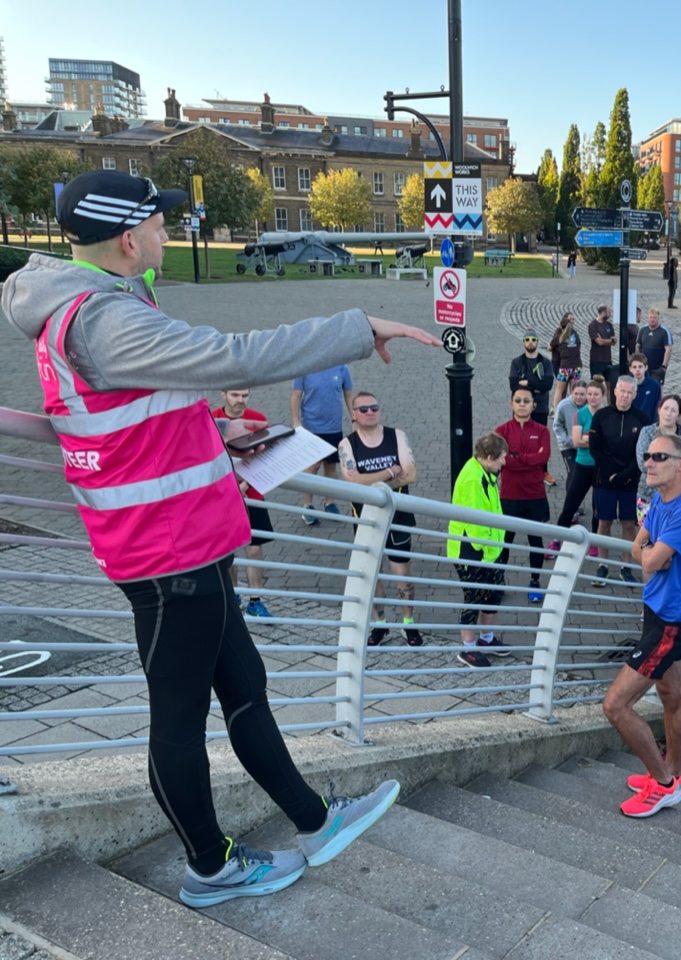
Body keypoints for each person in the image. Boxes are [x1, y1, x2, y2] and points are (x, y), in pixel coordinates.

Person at [2, 170, 428, 905]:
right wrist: (357, 327)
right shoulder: (103, 318)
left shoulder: (97, 300)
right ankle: (209, 866)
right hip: (165, 552)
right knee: (178, 720)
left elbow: (136, 410)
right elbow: (235, 355)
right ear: (130, 239)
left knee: (246, 688)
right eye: (161, 223)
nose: (170, 231)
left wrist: (213, 430)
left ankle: (314, 820)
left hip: (187, 540)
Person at [607, 434, 681, 818]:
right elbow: (639, 549)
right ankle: (675, 775)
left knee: (616, 705)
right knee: (672, 696)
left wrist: (651, 556)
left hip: (672, 620)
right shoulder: (658, 500)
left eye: (659, 457)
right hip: (659, 610)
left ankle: (663, 784)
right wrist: (653, 554)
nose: (648, 462)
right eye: (647, 456)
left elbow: (647, 562)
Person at [339, 392, 423, 647]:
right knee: (371, 575)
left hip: (398, 516)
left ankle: (409, 624)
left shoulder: (396, 435)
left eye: (374, 408)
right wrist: (389, 472)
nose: (369, 412)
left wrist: (370, 479)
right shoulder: (347, 444)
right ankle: (380, 624)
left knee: (402, 573)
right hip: (365, 519)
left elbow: (409, 474)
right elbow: (351, 481)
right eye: (363, 409)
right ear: (353, 414)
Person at [448, 433, 509, 667]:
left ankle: (486, 639)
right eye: (502, 458)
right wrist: (488, 551)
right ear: (490, 457)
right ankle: (468, 649)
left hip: (490, 551)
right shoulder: (475, 479)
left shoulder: (486, 471)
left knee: (493, 594)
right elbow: (476, 524)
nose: (504, 463)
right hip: (473, 553)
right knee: (473, 597)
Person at [211, 389, 274, 618]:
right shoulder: (212, 418)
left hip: (252, 492)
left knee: (254, 548)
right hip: (223, 494)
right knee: (229, 548)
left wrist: (244, 487)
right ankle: (233, 595)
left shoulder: (256, 418)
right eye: (235, 395)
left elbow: (263, 457)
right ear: (223, 395)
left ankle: (255, 600)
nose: (240, 400)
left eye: (245, 396)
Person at [588, 375, 650, 587]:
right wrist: (609, 471)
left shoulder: (642, 419)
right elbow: (594, 448)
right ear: (614, 391)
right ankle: (602, 566)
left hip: (630, 480)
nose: (624, 396)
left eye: (629, 393)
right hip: (604, 479)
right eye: (621, 391)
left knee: (628, 524)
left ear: (635, 395)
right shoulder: (601, 416)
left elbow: (642, 452)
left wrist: (625, 474)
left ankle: (626, 566)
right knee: (604, 522)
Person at [494, 388, 552, 604]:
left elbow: (543, 457)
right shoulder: (501, 431)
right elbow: (501, 459)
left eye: (526, 401)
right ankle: (498, 580)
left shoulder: (542, 431)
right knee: (504, 541)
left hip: (534, 494)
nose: (522, 404)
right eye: (517, 400)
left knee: (535, 541)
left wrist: (516, 457)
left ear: (534, 405)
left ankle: (535, 581)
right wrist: (528, 458)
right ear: (511, 404)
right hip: (509, 495)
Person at [292, 363, 354, 523]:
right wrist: (295, 420)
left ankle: (330, 503)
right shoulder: (304, 367)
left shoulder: (342, 368)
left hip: (333, 427)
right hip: (311, 427)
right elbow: (296, 396)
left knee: (331, 466)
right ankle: (307, 506)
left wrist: (355, 418)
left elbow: (348, 395)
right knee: (312, 466)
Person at [553, 376, 607, 529]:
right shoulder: (580, 414)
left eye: (595, 394)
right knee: (569, 506)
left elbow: (610, 443)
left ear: (603, 396)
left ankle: (595, 542)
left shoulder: (608, 414)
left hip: (601, 468)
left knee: (598, 509)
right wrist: (596, 440)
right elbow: (576, 442)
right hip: (582, 465)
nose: (591, 397)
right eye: (589, 394)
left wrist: (587, 437)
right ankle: (558, 539)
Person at [636, 394, 681, 524]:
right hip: (648, 495)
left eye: (673, 410)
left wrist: (660, 468)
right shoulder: (647, 432)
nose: (668, 413)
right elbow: (643, 464)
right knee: (646, 539)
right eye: (666, 408)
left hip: (678, 497)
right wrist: (672, 467)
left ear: (679, 415)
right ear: (659, 410)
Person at [508, 329, 555, 432]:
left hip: (540, 409)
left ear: (537, 342)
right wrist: (537, 386)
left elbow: (547, 385)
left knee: (538, 440)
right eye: (527, 339)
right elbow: (513, 385)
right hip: (521, 409)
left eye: (533, 339)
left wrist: (527, 383)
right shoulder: (517, 362)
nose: (530, 342)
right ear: (523, 342)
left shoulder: (546, 362)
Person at [551, 380, 587, 479]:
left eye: (582, 394)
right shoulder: (563, 405)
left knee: (582, 473)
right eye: (576, 394)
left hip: (585, 445)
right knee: (573, 472)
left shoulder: (591, 406)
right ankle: (570, 495)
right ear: (571, 392)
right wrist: (567, 440)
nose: (579, 397)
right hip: (567, 444)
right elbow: (557, 426)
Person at [549, 311, 582, 408]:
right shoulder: (575, 334)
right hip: (577, 366)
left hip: (565, 367)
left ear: (561, 326)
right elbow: (579, 346)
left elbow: (550, 347)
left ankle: (556, 410)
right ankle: (574, 409)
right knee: (574, 390)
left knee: (559, 390)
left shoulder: (559, 337)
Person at [637, 308, 673, 384]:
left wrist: (664, 367)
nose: (652, 320)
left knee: (657, 390)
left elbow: (668, 349)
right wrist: (638, 361)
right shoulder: (643, 330)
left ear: (658, 318)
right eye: (650, 317)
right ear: (647, 318)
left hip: (657, 368)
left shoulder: (664, 331)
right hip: (644, 368)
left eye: (654, 317)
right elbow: (638, 346)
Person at [627, 352, 662, 422]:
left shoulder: (654, 386)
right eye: (634, 367)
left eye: (640, 366)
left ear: (646, 367)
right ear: (630, 369)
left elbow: (657, 407)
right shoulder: (626, 385)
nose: (637, 370)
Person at [587, 303, 617, 382]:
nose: (610, 314)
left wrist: (608, 340)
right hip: (596, 360)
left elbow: (614, 341)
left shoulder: (609, 325)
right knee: (597, 384)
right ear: (603, 313)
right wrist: (609, 340)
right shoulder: (593, 326)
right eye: (609, 312)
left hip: (607, 360)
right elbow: (599, 342)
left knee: (609, 384)